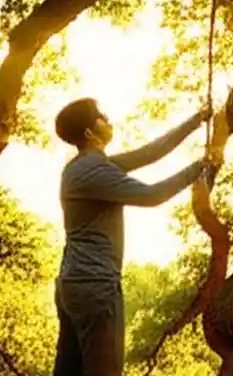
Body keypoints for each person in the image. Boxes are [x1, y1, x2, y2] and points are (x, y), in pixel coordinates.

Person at [51, 97, 214, 376]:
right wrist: (196, 170)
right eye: (101, 116)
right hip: (96, 286)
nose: (108, 119)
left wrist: (195, 121)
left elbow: (149, 153)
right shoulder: (92, 171)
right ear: (90, 132)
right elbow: (151, 195)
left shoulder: (83, 166)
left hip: (74, 284)